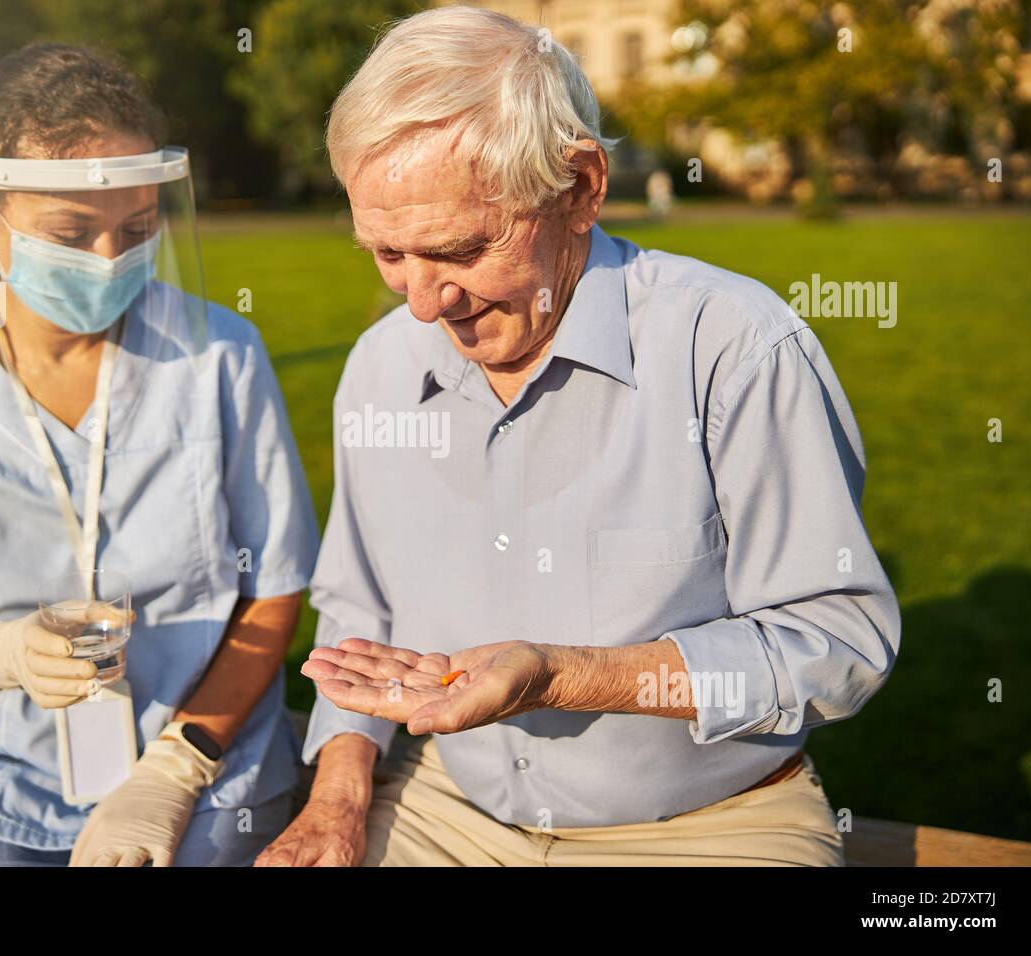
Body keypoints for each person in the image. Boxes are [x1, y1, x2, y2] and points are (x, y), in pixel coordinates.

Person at [258, 6, 900, 867]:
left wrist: (568, 676)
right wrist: (337, 797)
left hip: (707, 829)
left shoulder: (735, 346)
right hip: (448, 805)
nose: (422, 303)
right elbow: (359, 608)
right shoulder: (381, 368)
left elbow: (841, 642)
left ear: (581, 188)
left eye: (460, 247)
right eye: (387, 254)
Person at [0, 43, 318, 867]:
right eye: (71, 232)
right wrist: (2, 654)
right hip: (3, 781)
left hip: (212, 767)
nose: (110, 261)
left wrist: (176, 765)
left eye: (138, 229)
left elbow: (274, 591)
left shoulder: (219, 357)